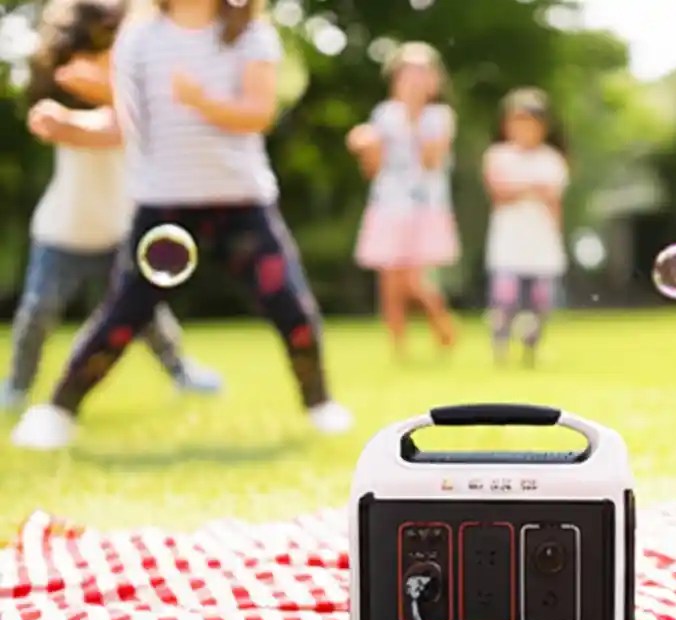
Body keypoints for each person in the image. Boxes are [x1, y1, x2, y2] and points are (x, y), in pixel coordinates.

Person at [11, 0, 352, 450]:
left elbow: (258, 112)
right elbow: (125, 126)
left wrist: (200, 101)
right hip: (163, 205)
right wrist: (71, 124)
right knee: (121, 315)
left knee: (291, 307)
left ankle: (320, 404)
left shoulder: (248, 33)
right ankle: (57, 411)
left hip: (241, 202)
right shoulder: (139, 36)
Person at [1, 0, 222, 413]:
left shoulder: (135, 107)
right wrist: (63, 120)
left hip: (120, 231)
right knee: (38, 312)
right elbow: (91, 125)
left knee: (149, 319)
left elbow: (118, 128)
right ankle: (15, 386)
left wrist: (77, 116)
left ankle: (182, 373)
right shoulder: (74, 106)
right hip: (62, 231)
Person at [346, 42, 459, 358]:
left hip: (425, 206)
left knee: (412, 279)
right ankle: (398, 345)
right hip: (388, 204)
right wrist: (365, 146)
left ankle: (443, 325)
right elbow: (373, 168)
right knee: (390, 279)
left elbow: (431, 160)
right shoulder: (383, 115)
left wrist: (413, 117)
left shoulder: (440, 117)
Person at [482, 87, 570, 367]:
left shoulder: (552, 159)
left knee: (539, 301)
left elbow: (554, 200)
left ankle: (530, 351)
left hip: (541, 241)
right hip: (509, 241)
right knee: (504, 298)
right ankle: (501, 347)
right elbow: (499, 192)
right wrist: (533, 188)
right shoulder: (498, 155)